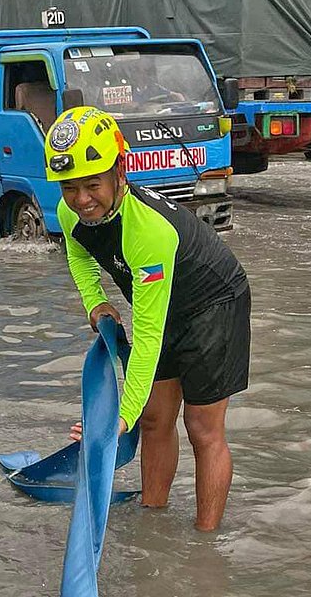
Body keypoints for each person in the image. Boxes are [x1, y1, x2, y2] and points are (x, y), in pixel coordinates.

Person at [47, 106, 250, 532]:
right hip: (159, 304)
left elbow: (150, 336)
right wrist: (95, 301)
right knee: (155, 418)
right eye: (70, 187)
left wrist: (118, 419)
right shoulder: (71, 212)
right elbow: (79, 253)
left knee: (201, 428)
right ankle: (151, 519)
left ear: (120, 171)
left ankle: (204, 542)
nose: (82, 199)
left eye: (92, 185)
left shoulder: (149, 233)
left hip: (214, 304)